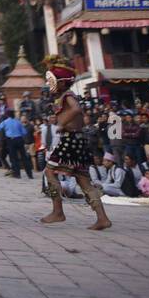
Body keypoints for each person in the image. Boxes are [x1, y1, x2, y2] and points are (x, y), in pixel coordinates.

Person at [40, 56, 113, 228]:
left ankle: (58, 211)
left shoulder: (68, 95)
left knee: (50, 172)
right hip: (77, 141)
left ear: (62, 82)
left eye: (52, 80)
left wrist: (62, 124)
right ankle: (102, 218)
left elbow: (76, 109)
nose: (49, 84)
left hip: (70, 140)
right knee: (83, 180)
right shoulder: (64, 96)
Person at [0, 110, 32, 179]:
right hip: (20, 139)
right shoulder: (18, 122)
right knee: (24, 157)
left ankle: (17, 174)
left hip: (11, 140)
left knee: (14, 158)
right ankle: (30, 174)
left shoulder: (5, 122)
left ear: (7, 115)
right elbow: (24, 132)